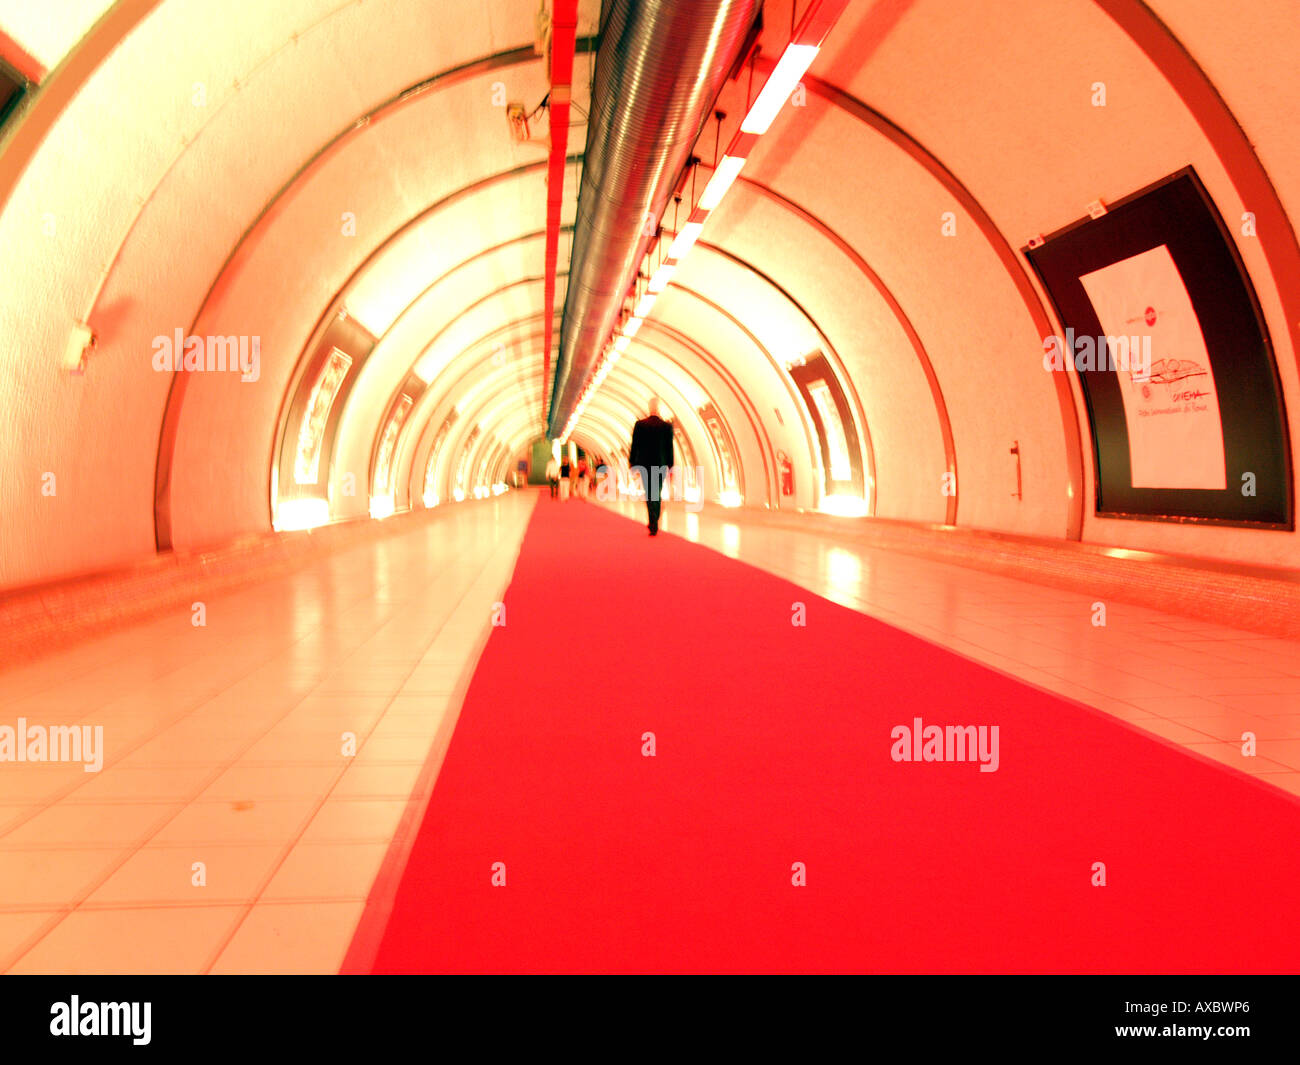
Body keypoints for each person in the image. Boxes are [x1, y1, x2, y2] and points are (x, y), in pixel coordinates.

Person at [628, 397, 674, 535]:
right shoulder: (666, 426)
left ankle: (653, 521)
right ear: (658, 407)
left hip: (644, 464)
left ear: (649, 407)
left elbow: (635, 445)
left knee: (648, 493)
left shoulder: (640, 425)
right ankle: (654, 519)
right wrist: (670, 465)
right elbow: (669, 448)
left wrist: (632, 462)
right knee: (657, 493)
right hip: (660, 463)